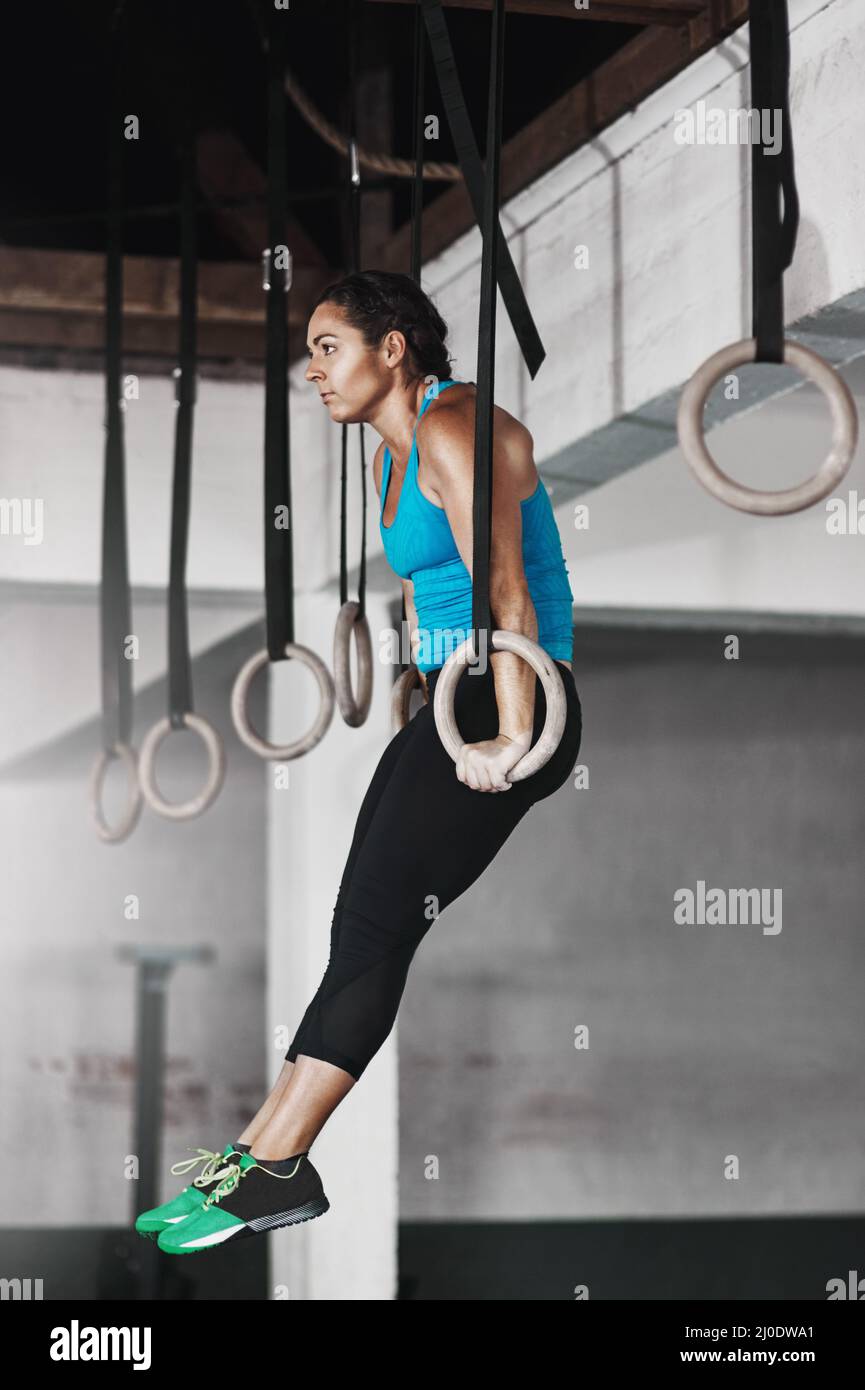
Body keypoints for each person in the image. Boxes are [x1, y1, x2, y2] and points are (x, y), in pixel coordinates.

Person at [141, 270, 583, 1254]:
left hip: (512, 694)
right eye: (311, 354)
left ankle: (281, 1167)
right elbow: (444, 591)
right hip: (454, 698)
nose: (315, 370)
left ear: (393, 348)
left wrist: (506, 732)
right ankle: (254, 1155)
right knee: (358, 931)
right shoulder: (390, 460)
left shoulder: (456, 423)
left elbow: (504, 583)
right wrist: (429, 701)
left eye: (328, 347)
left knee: (376, 932)